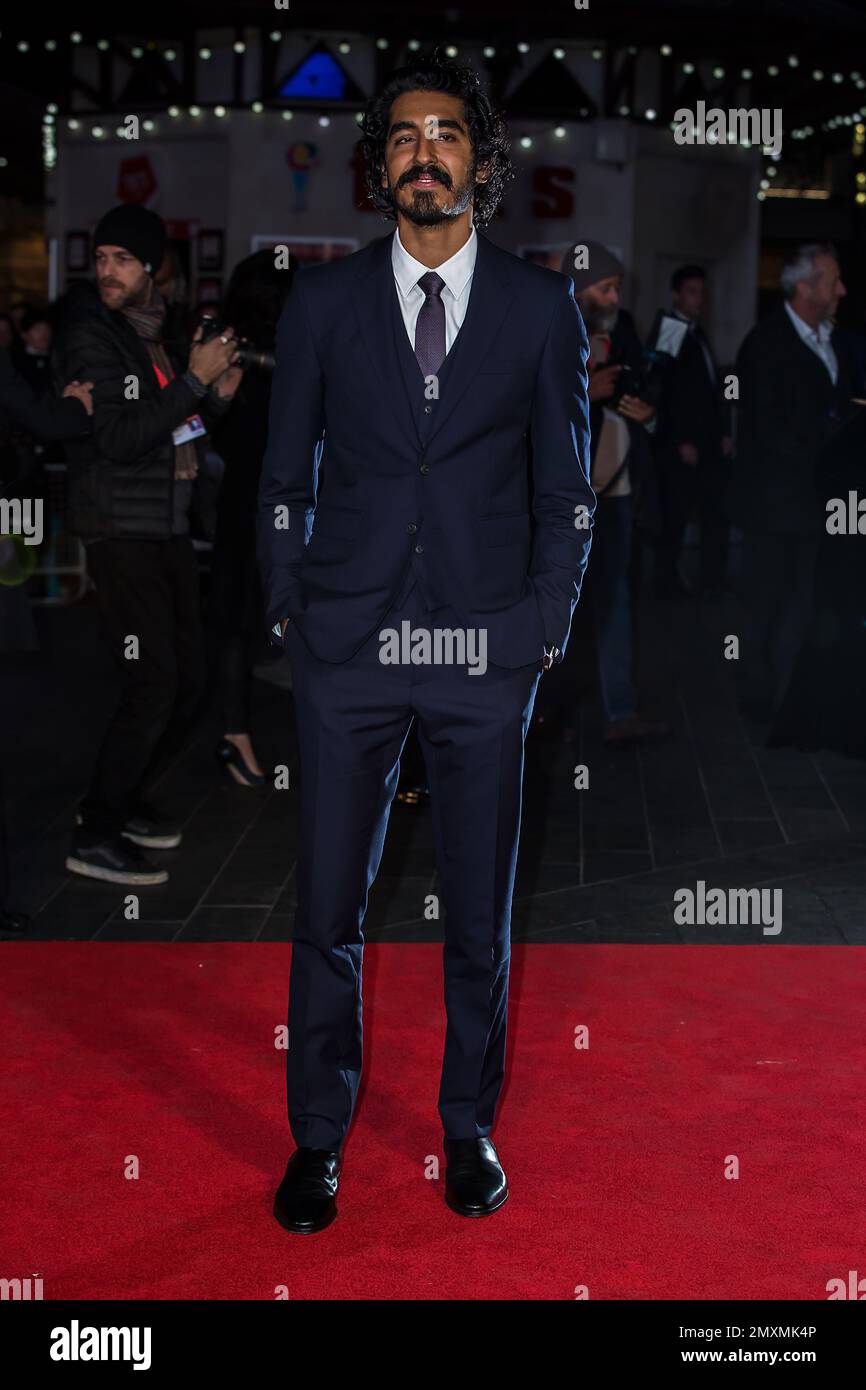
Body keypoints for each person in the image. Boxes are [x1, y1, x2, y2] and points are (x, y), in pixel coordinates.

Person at [258, 54, 594, 1232]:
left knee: (476, 915)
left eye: (445, 133)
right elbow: (281, 476)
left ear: (481, 162)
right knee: (327, 912)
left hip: (482, 651)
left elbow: (565, 491)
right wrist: (290, 609)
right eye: (402, 136)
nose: (423, 152)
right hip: (347, 648)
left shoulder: (539, 307)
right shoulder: (320, 305)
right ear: (378, 165)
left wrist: (542, 625)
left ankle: (467, 1126)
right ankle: (318, 1136)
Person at [56, 204, 243, 885]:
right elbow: (118, 437)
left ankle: (122, 795)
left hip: (164, 524)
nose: (107, 271)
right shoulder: (91, 338)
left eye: (122, 261)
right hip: (120, 526)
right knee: (156, 679)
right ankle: (97, 830)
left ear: (152, 269)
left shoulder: (156, 336)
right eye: (101, 258)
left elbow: (175, 430)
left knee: (189, 677)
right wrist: (194, 380)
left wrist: (215, 395)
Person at [728, 243, 851, 719]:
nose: (841, 289)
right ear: (805, 287)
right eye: (832, 280)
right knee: (768, 603)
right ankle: (763, 699)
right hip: (776, 506)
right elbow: (769, 431)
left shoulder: (832, 339)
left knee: (806, 603)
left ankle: (797, 693)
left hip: (819, 503)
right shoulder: (767, 344)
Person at [560, 239, 668, 745]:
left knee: (616, 599)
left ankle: (619, 711)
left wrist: (647, 414)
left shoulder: (621, 330)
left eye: (617, 288)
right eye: (605, 288)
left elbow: (643, 391)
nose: (613, 298)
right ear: (579, 290)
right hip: (565, 500)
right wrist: (583, 389)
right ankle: (537, 712)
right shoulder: (550, 328)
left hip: (618, 492)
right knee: (556, 605)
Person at [207, 250, 293, 786]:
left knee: (239, 616)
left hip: (251, 498)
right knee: (242, 615)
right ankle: (232, 733)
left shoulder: (237, 346)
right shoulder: (242, 351)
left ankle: (233, 732)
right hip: (262, 500)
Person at [654, 264, 732, 598]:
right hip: (682, 446)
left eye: (702, 291)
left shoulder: (698, 333)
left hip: (708, 442)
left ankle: (712, 582)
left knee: (715, 512)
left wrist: (723, 432)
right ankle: (667, 584)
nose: (699, 298)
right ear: (676, 295)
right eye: (692, 291)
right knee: (676, 517)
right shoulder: (672, 330)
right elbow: (662, 389)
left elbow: (708, 390)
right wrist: (679, 440)